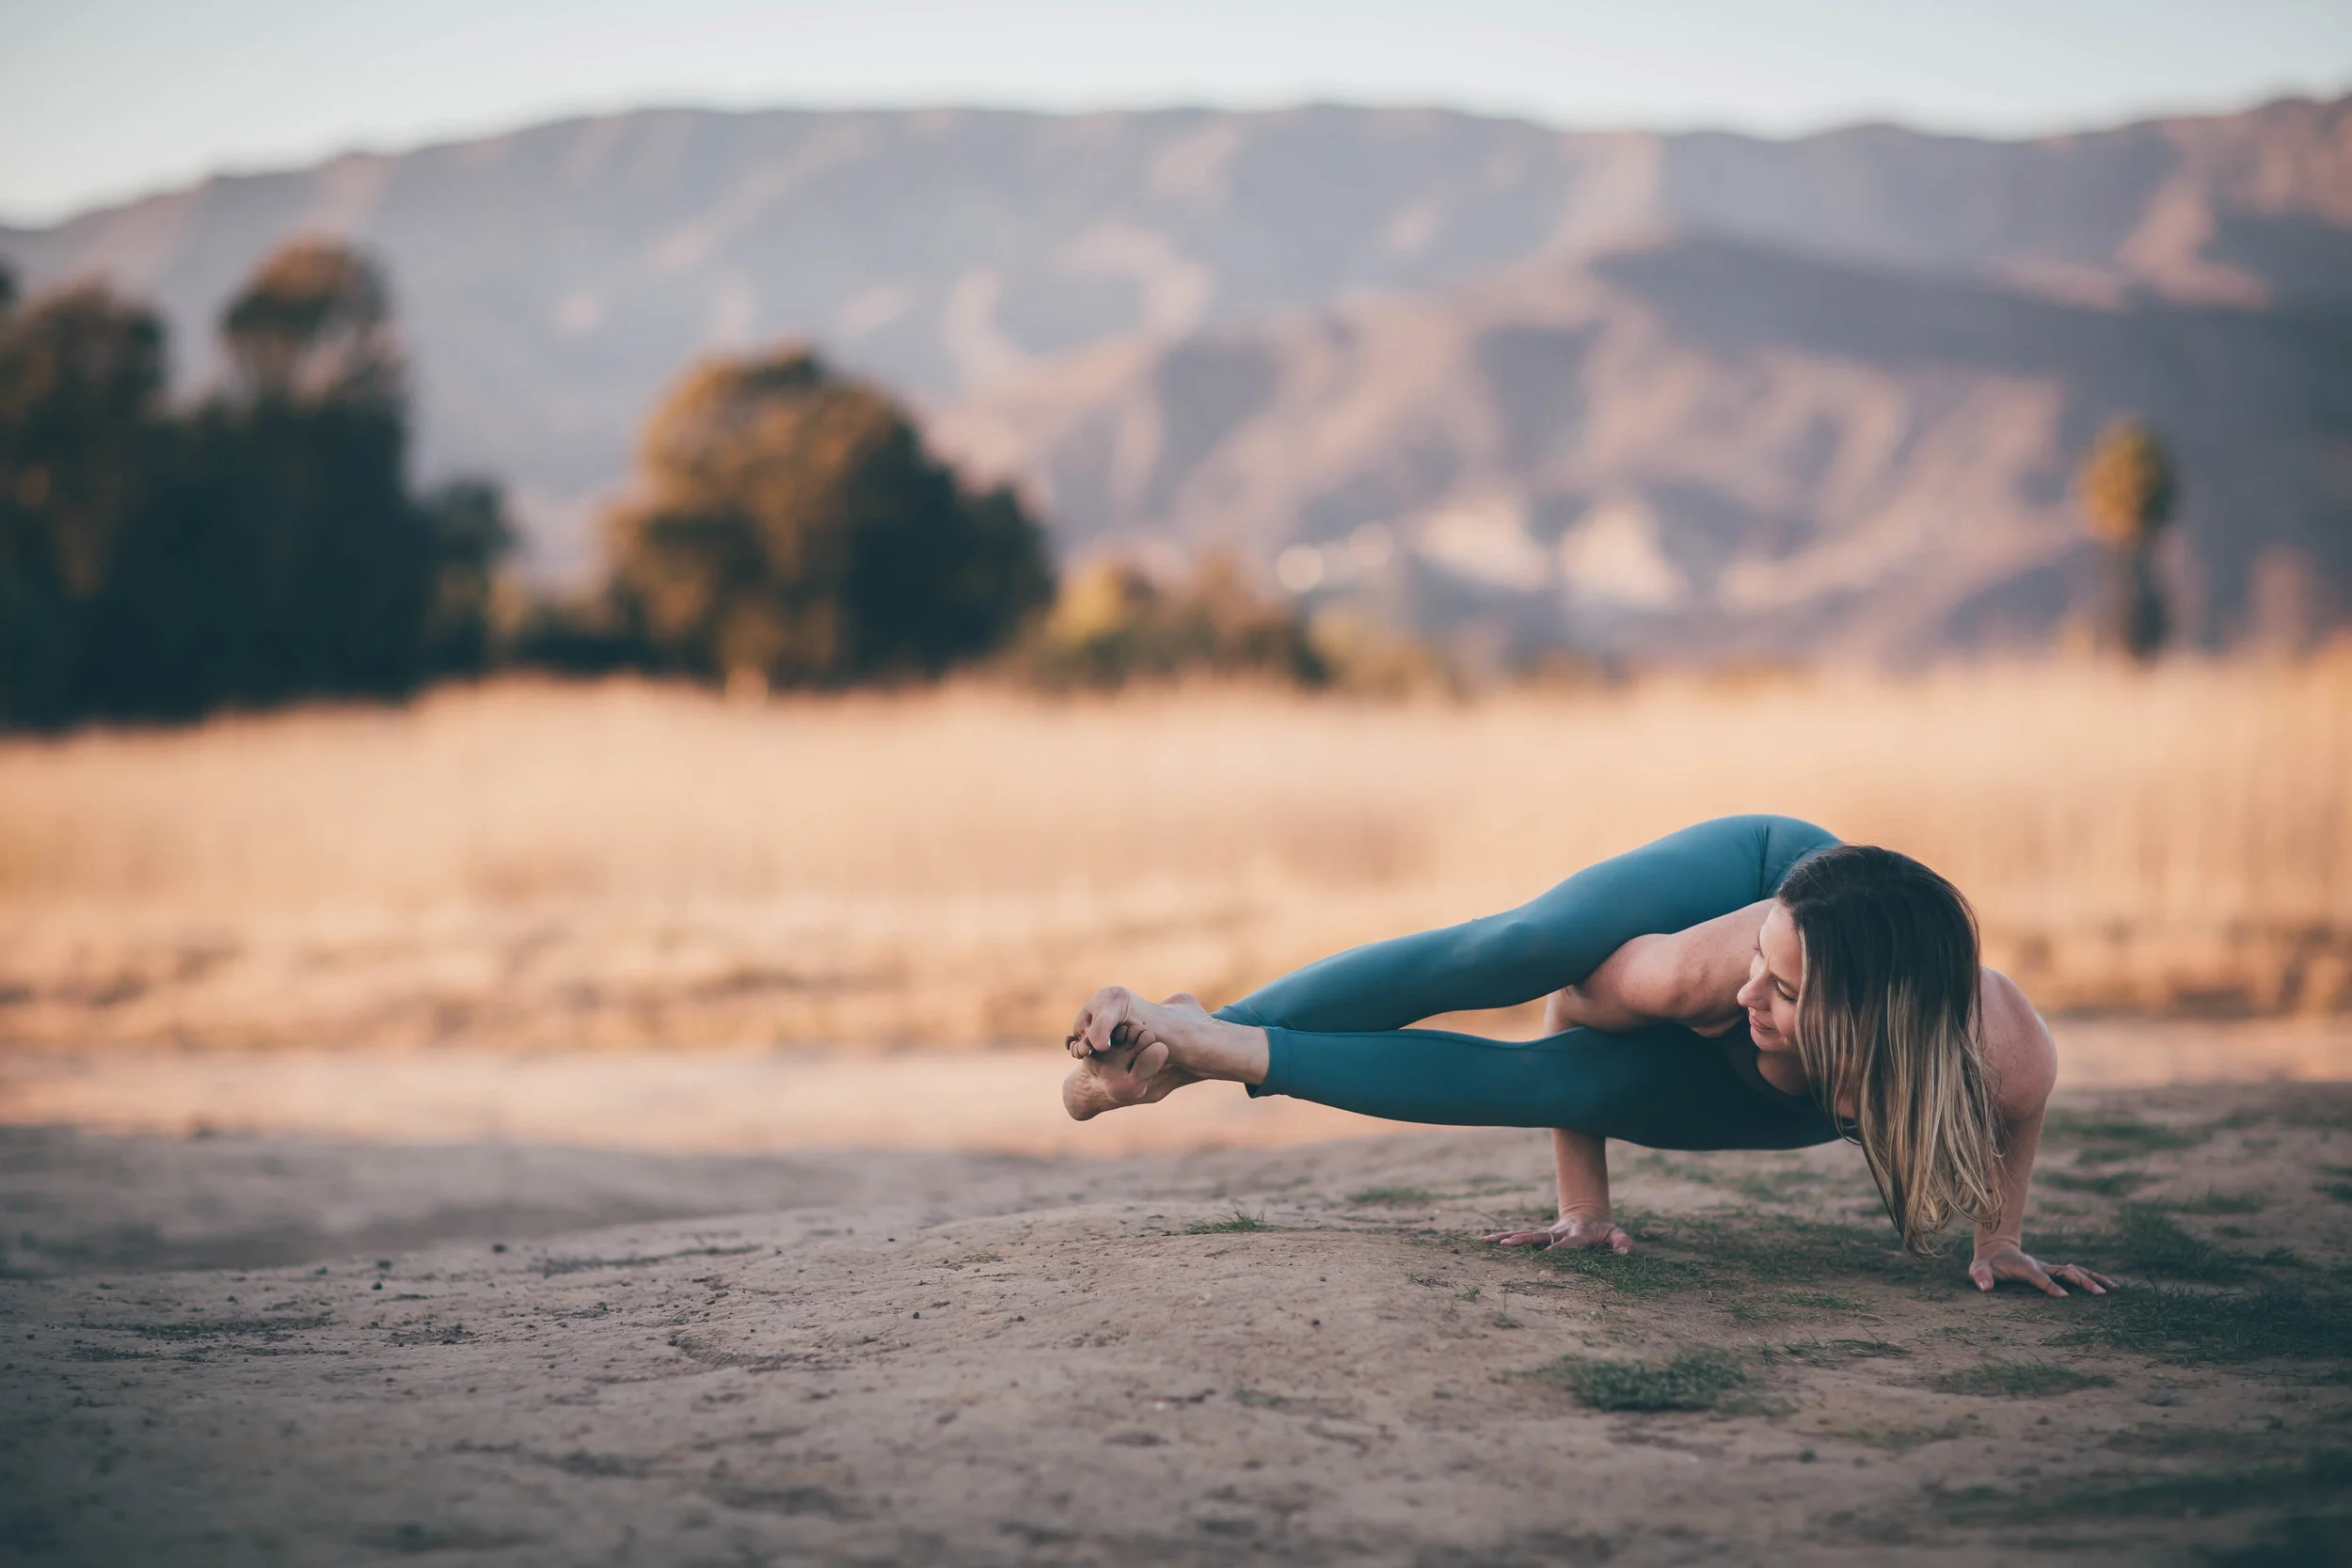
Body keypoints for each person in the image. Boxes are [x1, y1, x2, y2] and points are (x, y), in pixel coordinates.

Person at [1061, 814, 2115, 1298]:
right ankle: (1198, 1035)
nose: (1755, 989)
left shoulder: (2001, 1047)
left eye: (1782, 990)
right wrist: (1585, 1199)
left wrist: (2002, 1238)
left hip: (1798, 1047)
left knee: (1549, 1084)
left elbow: (2015, 1113)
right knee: (1524, 949)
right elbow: (1571, 1002)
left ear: (1869, 1029)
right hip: (1721, 896)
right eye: (1762, 965)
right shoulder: (1706, 970)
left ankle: (1191, 1038)